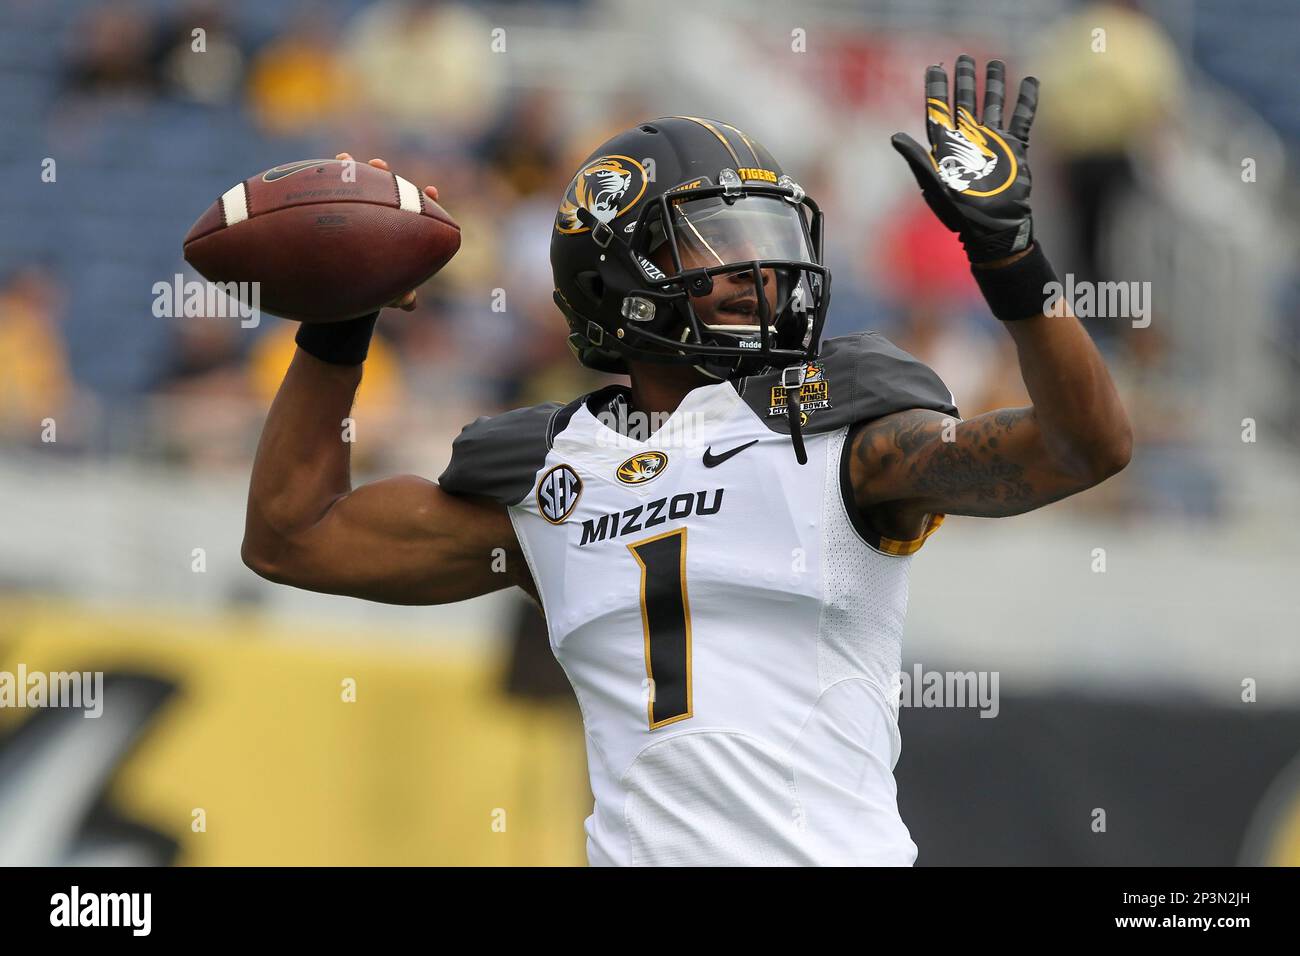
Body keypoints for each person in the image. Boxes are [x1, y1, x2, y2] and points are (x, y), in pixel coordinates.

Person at [241, 57, 1131, 866]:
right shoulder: (549, 477)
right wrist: (337, 320)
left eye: (766, 238)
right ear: (613, 280)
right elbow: (293, 537)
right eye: (715, 243)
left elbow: (1080, 448)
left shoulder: (840, 433)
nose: (760, 270)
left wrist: (1012, 261)